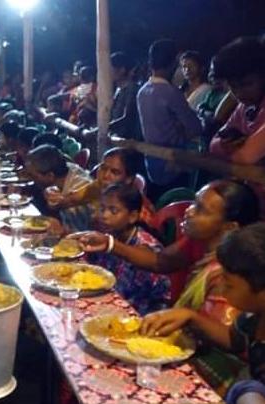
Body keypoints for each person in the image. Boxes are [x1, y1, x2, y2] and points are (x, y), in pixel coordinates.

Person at [78, 180, 260, 393]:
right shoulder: (197, 241)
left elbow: (229, 343)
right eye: (194, 203)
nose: (189, 211)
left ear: (229, 227)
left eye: (201, 209)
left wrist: (190, 318)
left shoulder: (228, 274)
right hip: (187, 341)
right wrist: (110, 244)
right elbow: (159, 261)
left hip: (213, 365)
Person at [137, 223, 265, 404]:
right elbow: (234, 340)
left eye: (229, 284)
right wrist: (192, 317)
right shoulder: (254, 317)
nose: (221, 287)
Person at [86, 183, 169, 314]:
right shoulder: (108, 233)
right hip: (108, 303)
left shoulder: (146, 246)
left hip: (139, 314)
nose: (105, 215)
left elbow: (152, 301)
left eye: (113, 211)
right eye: (102, 209)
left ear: (133, 216)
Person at [137, 39, 202, 188]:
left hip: (151, 160)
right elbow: (196, 128)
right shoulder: (170, 92)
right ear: (173, 63)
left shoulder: (142, 91)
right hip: (173, 164)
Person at [209, 37, 265, 164]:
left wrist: (232, 151)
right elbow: (213, 145)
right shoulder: (243, 108)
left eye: (247, 84)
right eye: (233, 86)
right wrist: (224, 145)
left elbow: (245, 156)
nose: (239, 94)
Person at [24, 144, 93, 230]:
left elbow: (75, 228)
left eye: (32, 176)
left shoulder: (79, 187)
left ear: (50, 176)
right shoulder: (66, 169)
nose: (29, 179)